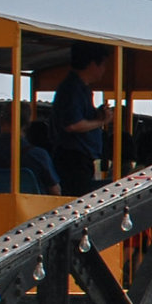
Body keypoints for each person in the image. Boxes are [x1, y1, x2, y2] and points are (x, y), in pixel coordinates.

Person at [50, 41, 114, 197]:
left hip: (79, 160)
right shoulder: (73, 88)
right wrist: (101, 122)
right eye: (103, 65)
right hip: (73, 161)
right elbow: (72, 124)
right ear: (92, 64)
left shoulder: (80, 88)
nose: (104, 70)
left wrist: (96, 115)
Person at [0, 103, 62, 194]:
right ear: (28, 124)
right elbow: (55, 191)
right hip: (34, 206)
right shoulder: (38, 155)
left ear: (1, 120)